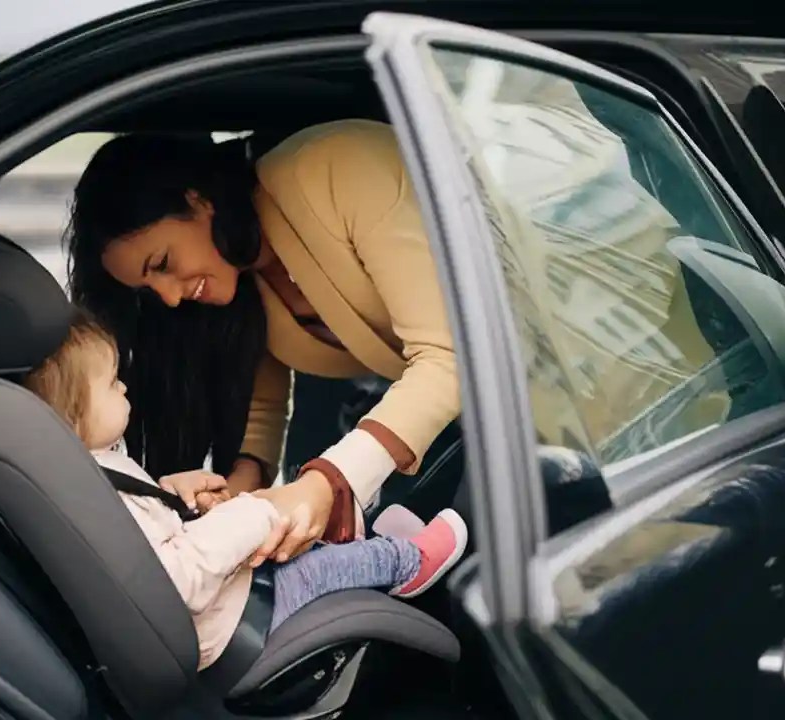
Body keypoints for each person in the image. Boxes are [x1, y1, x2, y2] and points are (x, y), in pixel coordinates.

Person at [68, 120, 461, 566]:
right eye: (149, 290)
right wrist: (234, 495)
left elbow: (449, 357)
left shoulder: (332, 171)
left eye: (161, 263)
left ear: (196, 201)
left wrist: (328, 481)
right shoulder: (241, 287)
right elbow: (263, 407)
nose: (171, 297)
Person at [25, 311, 469, 669]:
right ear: (73, 419)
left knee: (306, 544)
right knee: (324, 564)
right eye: (111, 382)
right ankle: (407, 562)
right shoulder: (90, 481)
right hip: (225, 621)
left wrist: (171, 490)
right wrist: (251, 514)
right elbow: (177, 580)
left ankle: (383, 544)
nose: (124, 385)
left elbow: (142, 525)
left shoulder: (86, 468)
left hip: (224, 600)